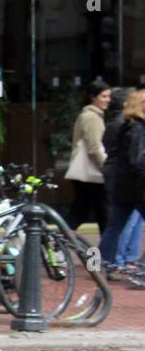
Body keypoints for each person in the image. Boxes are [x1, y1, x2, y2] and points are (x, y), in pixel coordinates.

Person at [98, 88, 145, 279]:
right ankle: (141, 268)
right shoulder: (137, 128)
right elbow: (137, 161)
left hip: (124, 187)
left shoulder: (127, 125)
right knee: (115, 227)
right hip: (138, 188)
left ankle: (97, 265)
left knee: (114, 227)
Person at [65, 81, 111, 239]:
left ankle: (57, 244)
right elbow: (95, 148)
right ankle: (108, 253)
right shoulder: (92, 117)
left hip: (86, 174)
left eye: (109, 96)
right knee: (102, 213)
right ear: (93, 97)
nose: (108, 100)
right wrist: (105, 168)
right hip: (93, 174)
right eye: (103, 96)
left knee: (81, 212)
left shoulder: (89, 115)